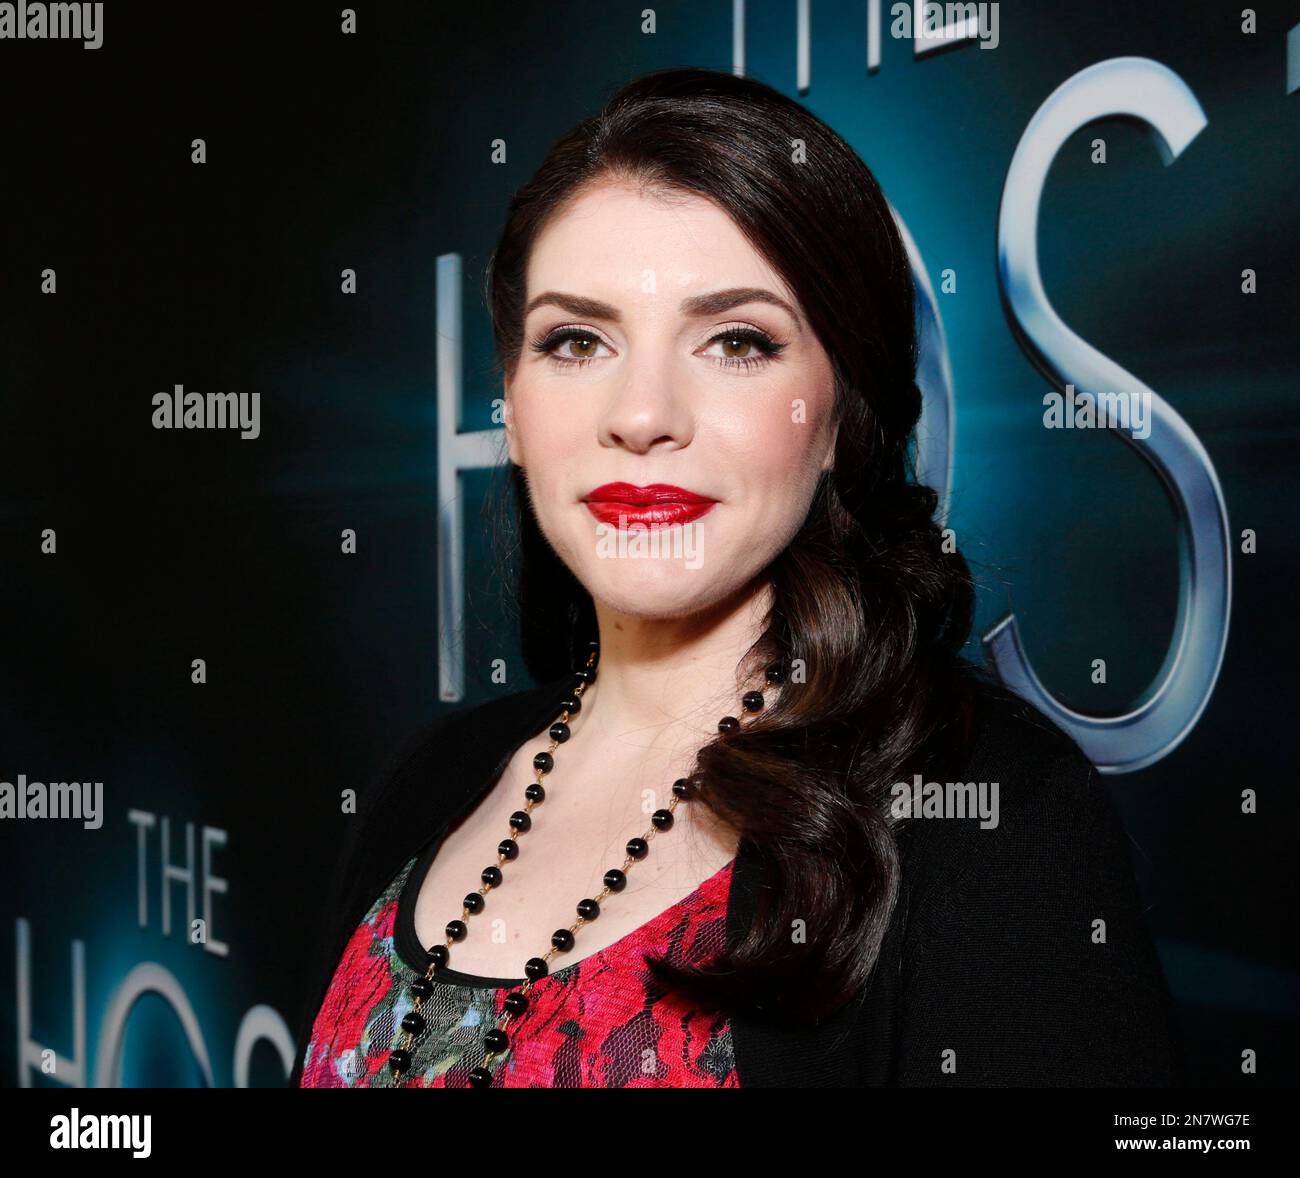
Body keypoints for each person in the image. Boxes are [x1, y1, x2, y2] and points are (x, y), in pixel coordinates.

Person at [289, 66, 1182, 1088]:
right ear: (512, 405)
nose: (642, 413)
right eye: (576, 340)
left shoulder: (993, 823)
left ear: (843, 413)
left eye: (735, 340)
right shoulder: (429, 780)